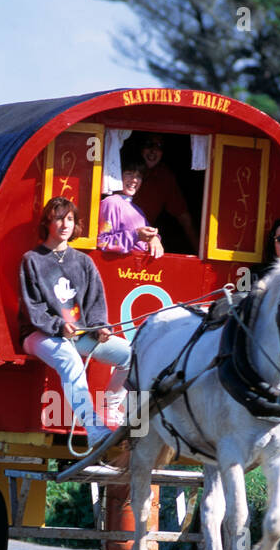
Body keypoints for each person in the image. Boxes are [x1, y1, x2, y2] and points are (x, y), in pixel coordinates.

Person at [19, 196, 132, 445]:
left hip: (79, 334)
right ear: (47, 222)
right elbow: (33, 309)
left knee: (131, 354)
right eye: (59, 218)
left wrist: (100, 327)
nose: (64, 224)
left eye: (70, 219)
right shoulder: (32, 260)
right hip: (39, 335)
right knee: (69, 359)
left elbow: (96, 305)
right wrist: (59, 326)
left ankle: (110, 410)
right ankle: (94, 430)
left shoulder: (84, 262)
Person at [133, 134, 197, 254]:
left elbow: (184, 217)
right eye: (148, 144)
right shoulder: (123, 170)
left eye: (159, 146)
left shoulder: (164, 177)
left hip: (145, 241)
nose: (153, 150)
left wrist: (200, 252)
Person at [96, 161, 165, 258]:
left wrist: (154, 239)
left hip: (137, 271)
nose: (135, 180)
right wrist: (135, 235)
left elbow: (145, 239)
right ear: (117, 175)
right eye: (129, 174)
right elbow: (103, 242)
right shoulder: (111, 203)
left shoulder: (137, 209)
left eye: (139, 176)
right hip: (118, 268)